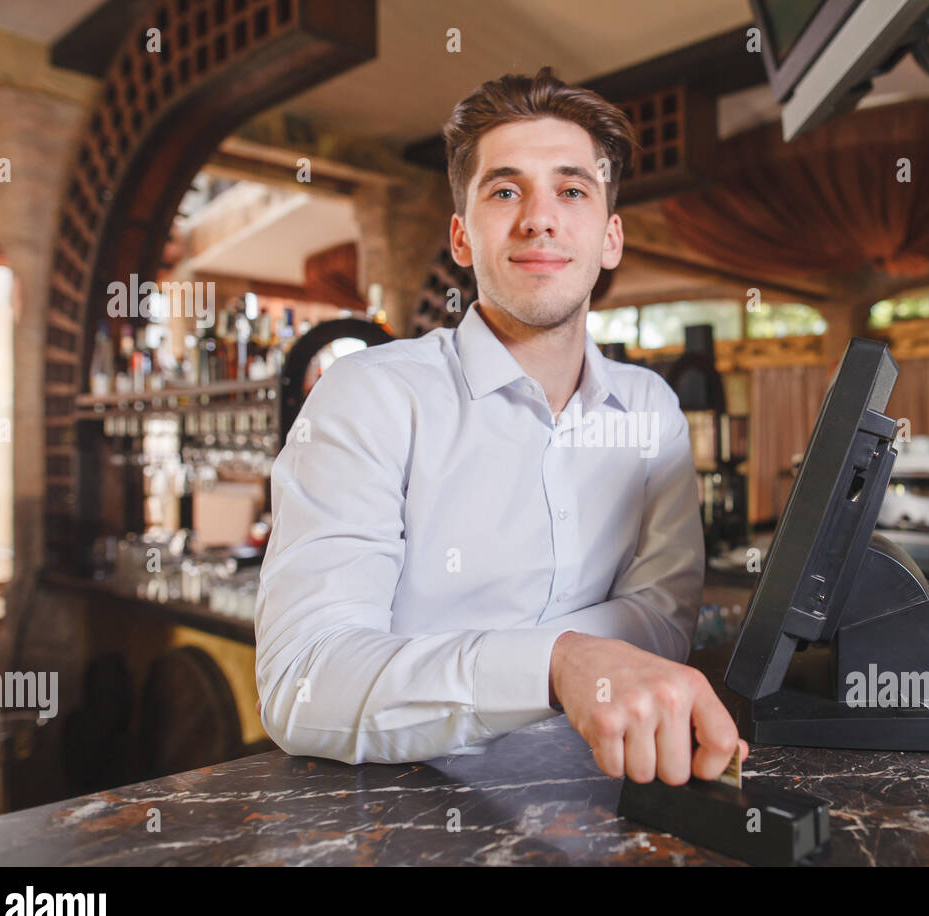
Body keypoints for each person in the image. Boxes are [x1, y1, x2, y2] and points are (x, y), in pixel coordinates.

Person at [254, 66, 748, 785]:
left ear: (610, 238)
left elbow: (663, 623)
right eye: (506, 190)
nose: (539, 218)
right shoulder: (369, 397)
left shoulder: (650, 411)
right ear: (462, 236)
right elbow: (302, 683)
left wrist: (555, 661)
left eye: (572, 190)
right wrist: (555, 665)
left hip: (608, 794)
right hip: (402, 818)